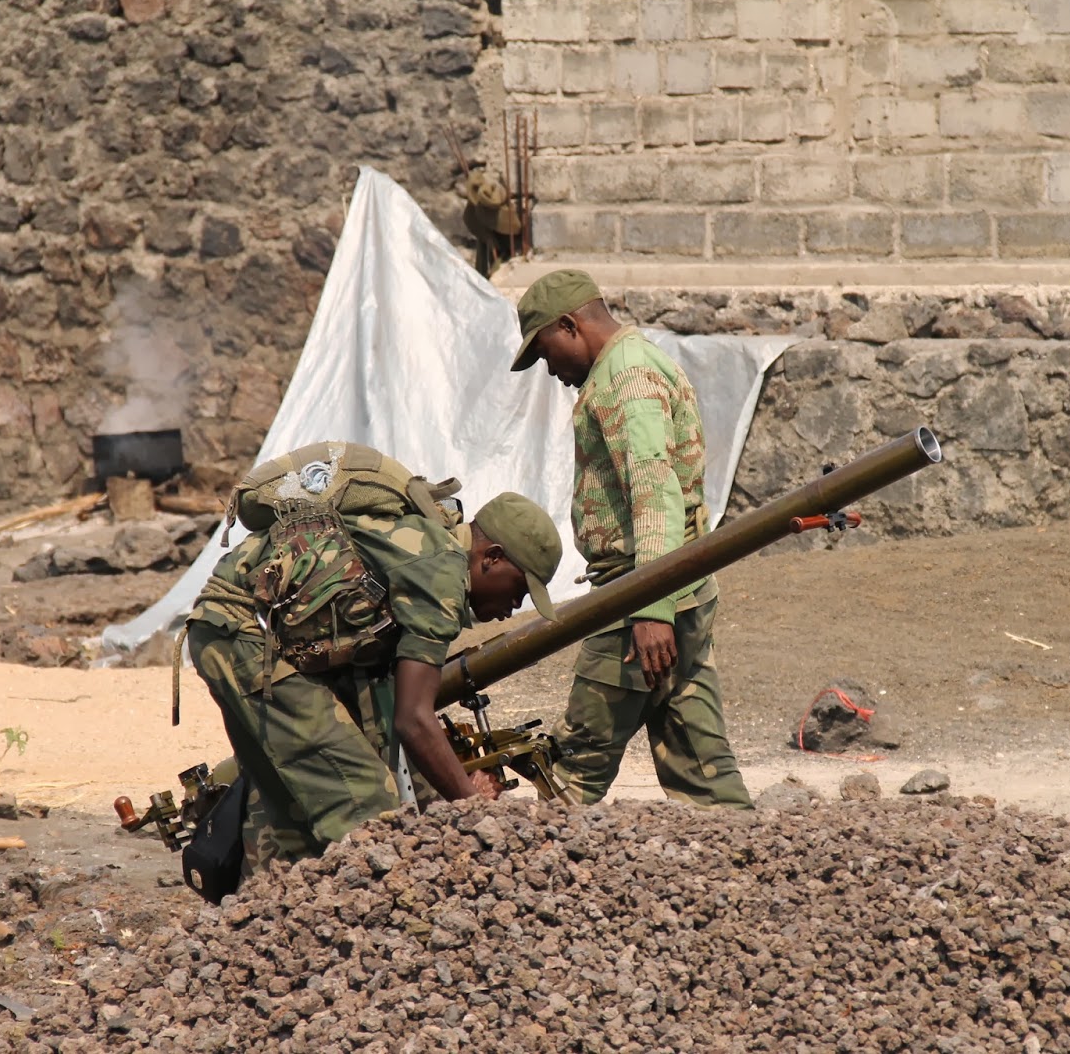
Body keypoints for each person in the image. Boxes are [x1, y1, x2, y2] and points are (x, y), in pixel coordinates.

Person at [185, 457, 563, 873]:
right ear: (491, 557)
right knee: (365, 805)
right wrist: (473, 808)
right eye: (518, 589)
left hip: (224, 628)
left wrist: (445, 793)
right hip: (245, 632)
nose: (513, 609)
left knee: (291, 816)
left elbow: (382, 714)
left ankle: (270, 920)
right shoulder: (441, 577)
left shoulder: (424, 548)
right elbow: (413, 720)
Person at [510, 269, 753, 810]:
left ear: (570, 325)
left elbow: (653, 490)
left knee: (572, 773)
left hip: (638, 599)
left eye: (545, 351)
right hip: (674, 590)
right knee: (702, 770)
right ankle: (743, 860)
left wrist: (650, 610)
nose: (549, 369)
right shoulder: (639, 363)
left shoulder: (625, 377)